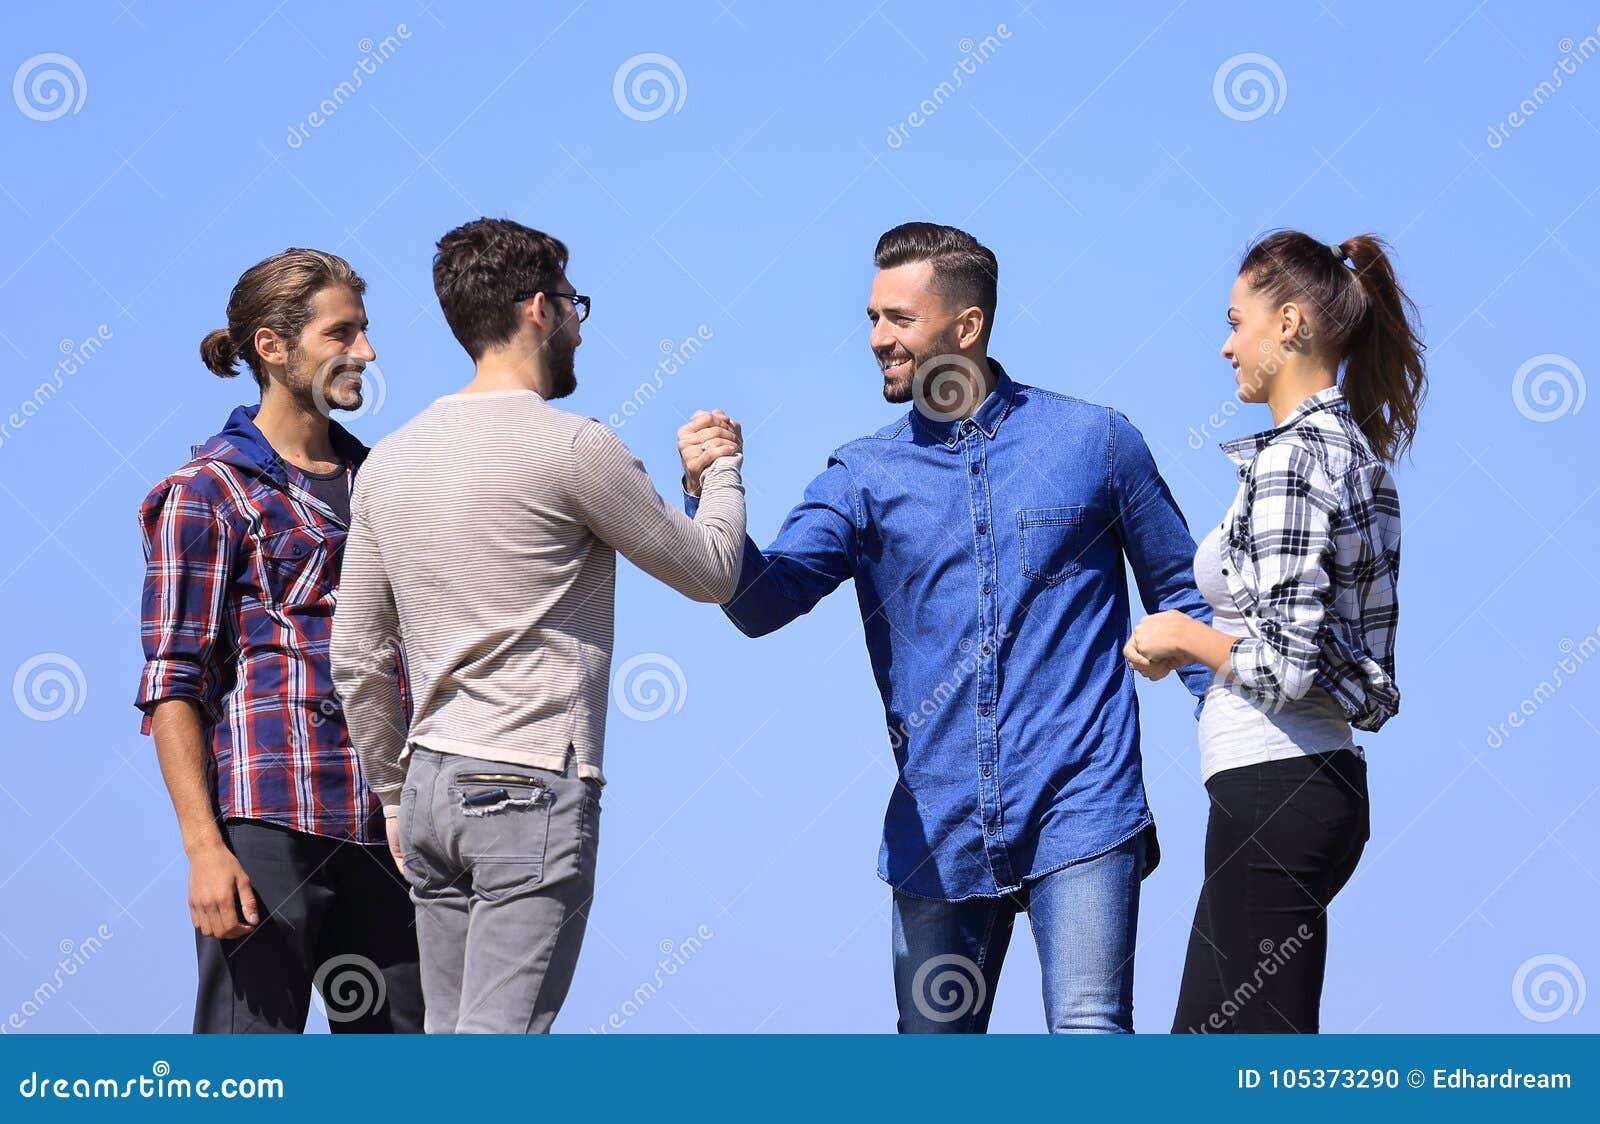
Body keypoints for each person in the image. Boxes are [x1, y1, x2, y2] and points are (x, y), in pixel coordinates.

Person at [681, 222, 1211, 1033]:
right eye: (871, 318)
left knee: (1092, 1034)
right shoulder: (861, 476)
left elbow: (1183, 593)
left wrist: (1250, 753)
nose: (876, 340)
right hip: (939, 833)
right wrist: (713, 486)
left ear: (966, 328)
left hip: (1084, 805)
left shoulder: (1098, 443)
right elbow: (760, 602)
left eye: (898, 319)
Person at [331, 217, 746, 1034]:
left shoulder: (390, 461)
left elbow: (356, 657)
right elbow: (713, 572)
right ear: (537, 310)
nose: (581, 323)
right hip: (528, 781)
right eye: (573, 303)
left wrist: (390, 792)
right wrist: (720, 473)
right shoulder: (575, 448)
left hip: (428, 790)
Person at [1123, 230, 1425, 1034]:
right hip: (1309, 789)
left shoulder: (1293, 461)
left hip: (1275, 787)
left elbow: (1288, 664)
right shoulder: (1359, 455)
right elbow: (1363, 673)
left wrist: (1181, 638)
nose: (1225, 346)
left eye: (1235, 321)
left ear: (1288, 322)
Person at [135, 249, 422, 1033]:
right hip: (267, 827)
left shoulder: (388, 485)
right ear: (272, 346)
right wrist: (204, 848)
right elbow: (172, 683)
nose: (365, 352)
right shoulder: (206, 493)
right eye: (343, 333)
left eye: (364, 332)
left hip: (391, 829)